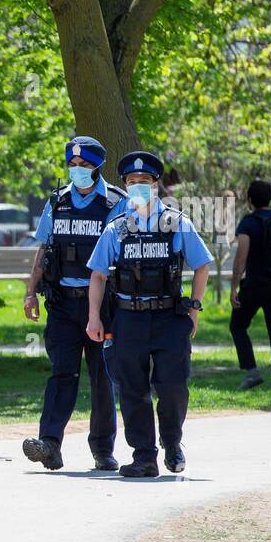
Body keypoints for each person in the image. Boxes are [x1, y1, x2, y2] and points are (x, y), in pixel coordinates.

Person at [85, 150, 214, 477]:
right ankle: (144, 456)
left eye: (144, 182)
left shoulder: (176, 223)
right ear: (125, 185)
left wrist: (195, 308)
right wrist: (94, 317)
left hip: (170, 317)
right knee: (133, 389)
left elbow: (202, 266)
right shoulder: (117, 228)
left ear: (156, 185)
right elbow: (98, 275)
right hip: (128, 317)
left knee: (172, 385)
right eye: (132, 182)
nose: (138, 186)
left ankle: (172, 443)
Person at [21, 136, 126, 472]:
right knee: (61, 373)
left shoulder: (116, 203)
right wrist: (30, 291)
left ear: (97, 167)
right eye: (73, 165)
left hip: (104, 304)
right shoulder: (59, 201)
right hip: (64, 303)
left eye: (84, 166)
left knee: (102, 377)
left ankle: (103, 449)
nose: (77, 170)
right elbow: (44, 249)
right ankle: (49, 444)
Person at [229, 179, 271, 390]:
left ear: (249, 200)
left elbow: (241, 257)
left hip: (255, 285)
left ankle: (252, 372)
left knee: (237, 325)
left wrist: (234, 286)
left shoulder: (248, 223)